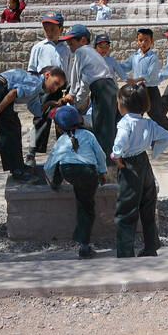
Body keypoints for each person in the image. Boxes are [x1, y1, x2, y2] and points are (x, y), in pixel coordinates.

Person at [110, 82, 168, 258]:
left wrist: (116, 155)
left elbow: (120, 142)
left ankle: (125, 252)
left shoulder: (125, 123)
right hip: (145, 164)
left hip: (129, 166)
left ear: (122, 105)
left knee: (126, 211)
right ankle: (151, 247)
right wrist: (155, 152)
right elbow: (167, 137)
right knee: (148, 207)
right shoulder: (149, 124)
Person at [45, 104, 108, 259]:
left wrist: (51, 179)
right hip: (88, 173)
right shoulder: (88, 135)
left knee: (61, 164)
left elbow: (50, 163)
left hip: (68, 172)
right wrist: (102, 172)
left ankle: (56, 183)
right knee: (86, 207)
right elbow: (100, 154)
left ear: (60, 126)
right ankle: (84, 246)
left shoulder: (61, 140)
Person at [0, 65, 66, 183]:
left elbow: (37, 110)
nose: (55, 89)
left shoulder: (36, 89)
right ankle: (17, 170)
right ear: (47, 75)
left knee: (14, 128)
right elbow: (13, 93)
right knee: (9, 130)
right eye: (56, 83)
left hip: (0, 90)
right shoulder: (35, 83)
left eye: (58, 87)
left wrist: (50, 103)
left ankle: (18, 166)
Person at [59, 23, 119, 156]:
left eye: (71, 44)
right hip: (110, 90)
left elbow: (77, 78)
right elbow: (84, 82)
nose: (70, 47)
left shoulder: (81, 51)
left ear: (83, 40)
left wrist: (73, 98)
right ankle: (112, 160)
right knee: (109, 128)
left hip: (102, 92)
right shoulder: (92, 53)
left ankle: (106, 163)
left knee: (102, 129)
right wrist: (78, 99)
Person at [25, 12, 70, 167]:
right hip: (43, 88)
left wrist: (69, 88)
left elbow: (70, 69)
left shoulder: (66, 49)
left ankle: (63, 151)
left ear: (61, 29)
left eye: (53, 29)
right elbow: (32, 70)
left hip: (62, 88)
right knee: (40, 118)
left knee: (62, 118)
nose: (49, 32)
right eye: (46, 29)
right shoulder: (38, 48)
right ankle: (31, 152)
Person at [126, 28, 168, 139]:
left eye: (146, 40)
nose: (143, 43)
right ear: (136, 41)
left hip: (150, 91)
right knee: (135, 114)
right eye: (141, 40)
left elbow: (150, 76)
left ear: (152, 41)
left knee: (155, 114)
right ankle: (135, 138)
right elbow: (125, 66)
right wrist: (114, 66)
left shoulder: (153, 58)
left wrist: (136, 80)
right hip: (137, 90)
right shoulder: (135, 56)